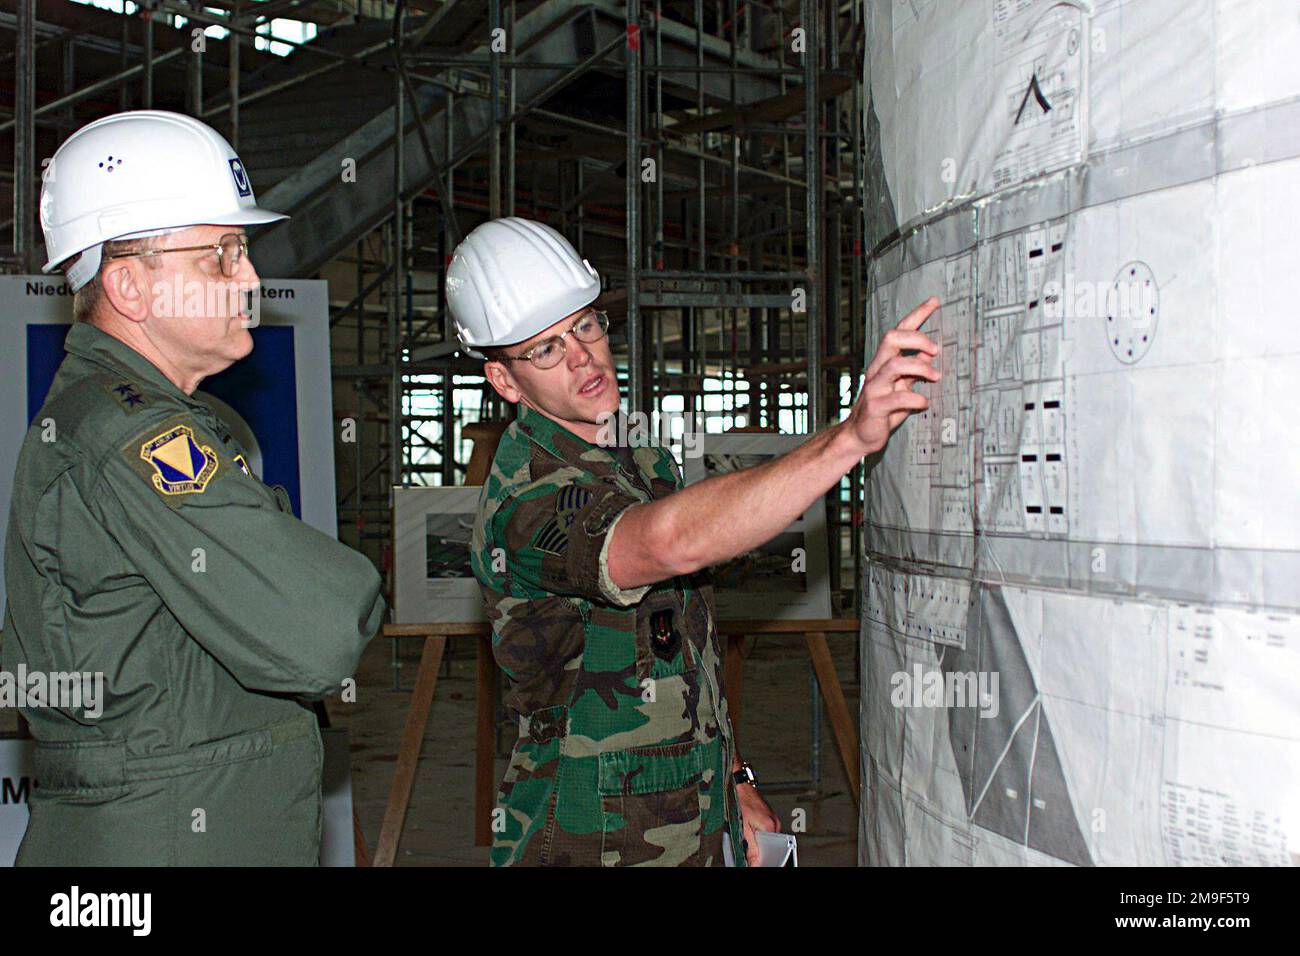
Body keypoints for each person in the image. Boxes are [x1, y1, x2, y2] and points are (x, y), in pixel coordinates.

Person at [453, 217, 939, 866]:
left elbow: (690, 650)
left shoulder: (644, 458)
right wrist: (850, 437)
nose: (581, 357)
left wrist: (737, 780)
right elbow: (667, 543)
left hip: (696, 816)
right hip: (586, 840)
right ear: (506, 382)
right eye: (544, 349)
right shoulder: (524, 502)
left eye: (586, 325)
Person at [1, 110, 385, 865]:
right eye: (220, 255)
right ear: (129, 286)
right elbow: (324, 629)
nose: (249, 279)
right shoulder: (130, 435)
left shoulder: (157, 418)